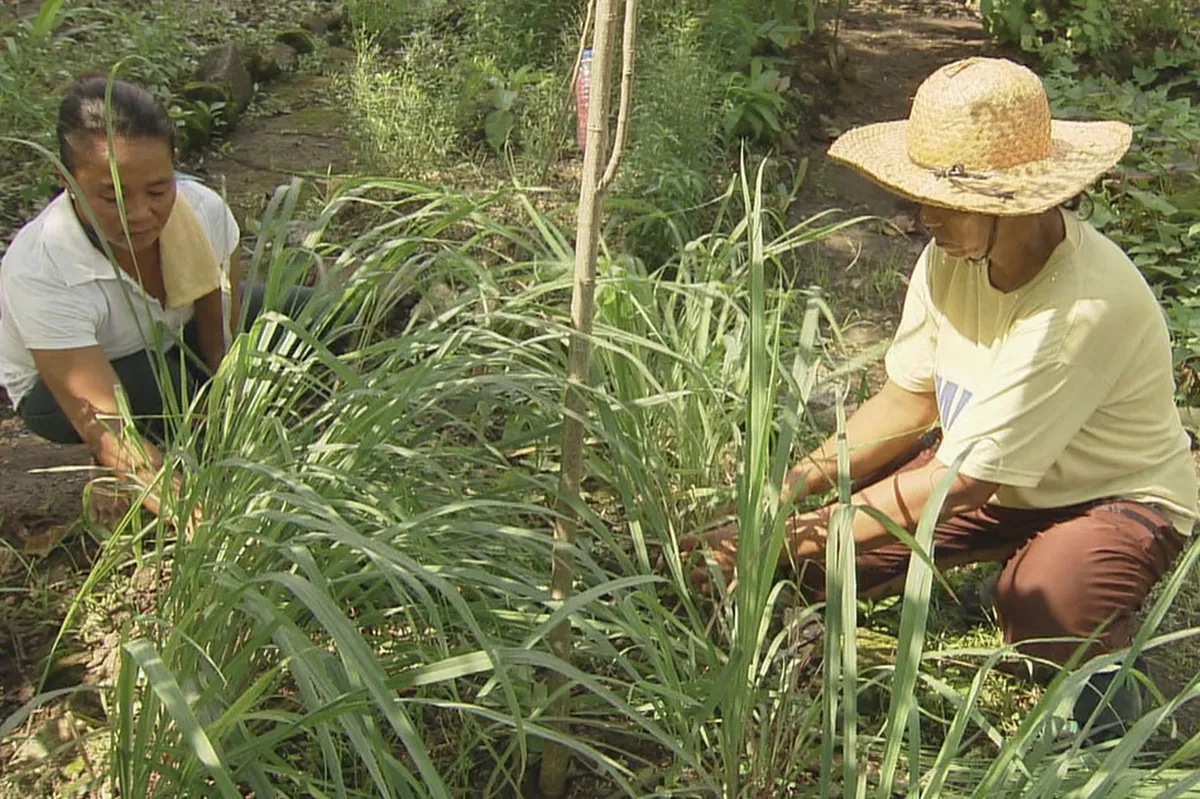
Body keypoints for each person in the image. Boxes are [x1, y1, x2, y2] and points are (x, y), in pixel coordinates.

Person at [684, 58, 1198, 737]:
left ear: (1019, 203)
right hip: (993, 477)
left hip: (1114, 492)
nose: (926, 216)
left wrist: (785, 536)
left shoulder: (1078, 307)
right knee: (817, 566)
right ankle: (1016, 562)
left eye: (945, 201)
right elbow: (909, 404)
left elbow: (960, 483)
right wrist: (793, 488)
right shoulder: (950, 260)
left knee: (1045, 600)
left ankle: (1103, 708)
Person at [0, 75, 323, 518]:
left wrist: (228, 393)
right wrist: (198, 518)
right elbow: (108, 427)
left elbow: (218, 320)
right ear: (66, 181)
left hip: (170, 329)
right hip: (63, 386)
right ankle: (126, 476)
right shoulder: (41, 269)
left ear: (174, 163)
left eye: (157, 190)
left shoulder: (202, 208)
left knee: (313, 314)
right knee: (170, 389)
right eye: (112, 197)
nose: (140, 214)